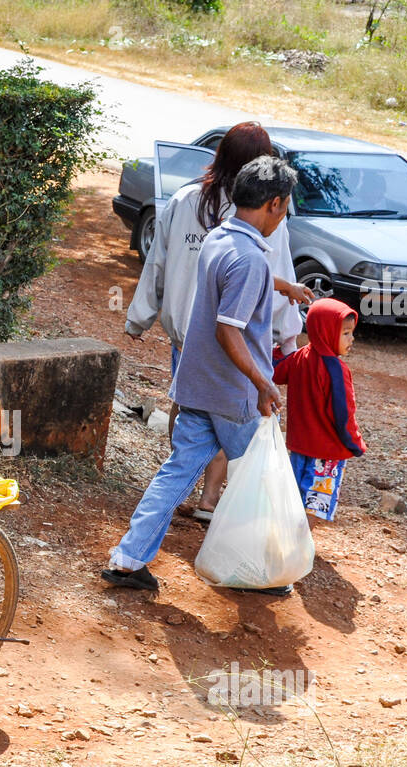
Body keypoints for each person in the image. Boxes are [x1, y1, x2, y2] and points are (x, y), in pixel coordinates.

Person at [102, 155, 298, 594]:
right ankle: (258, 570)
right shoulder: (250, 259)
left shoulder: (217, 240)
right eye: (285, 207)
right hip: (235, 396)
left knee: (175, 475)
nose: (283, 215)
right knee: (259, 481)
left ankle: (127, 558)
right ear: (274, 204)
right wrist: (263, 382)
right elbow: (229, 330)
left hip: (196, 385)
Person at [124, 122, 312, 522]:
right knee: (233, 413)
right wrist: (289, 334)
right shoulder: (264, 215)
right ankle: (213, 499)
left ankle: (180, 491)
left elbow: (157, 259)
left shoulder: (187, 198)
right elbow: (274, 272)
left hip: (186, 332)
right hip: (236, 335)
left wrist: (140, 316)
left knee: (189, 404)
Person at [273, 297, 367, 523]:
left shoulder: (300, 357)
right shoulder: (336, 370)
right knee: (315, 505)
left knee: (295, 498)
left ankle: (288, 544)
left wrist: (277, 347)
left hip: (299, 447)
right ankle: (300, 549)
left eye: (351, 333)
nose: (351, 339)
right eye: (345, 333)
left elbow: (276, 372)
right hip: (327, 453)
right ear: (325, 331)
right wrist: (354, 443)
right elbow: (343, 412)